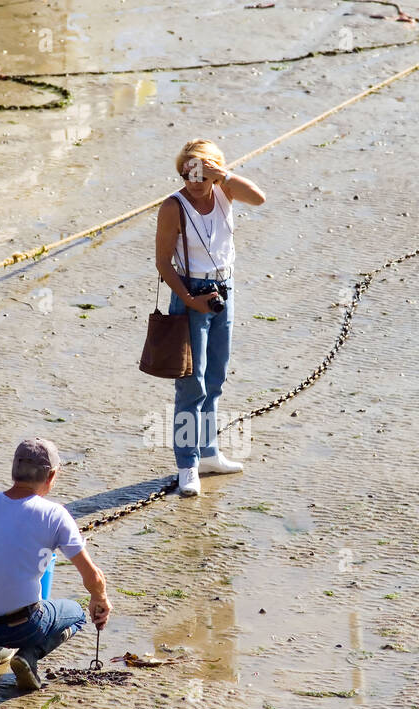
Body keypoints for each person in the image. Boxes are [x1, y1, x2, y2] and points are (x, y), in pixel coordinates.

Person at [154, 138, 267, 497]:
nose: (195, 180)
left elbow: (259, 198)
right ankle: (187, 465)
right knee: (192, 385)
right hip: (190, 293)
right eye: (188, 173)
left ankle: (208, 453)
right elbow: (162, 263)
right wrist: (189, 299)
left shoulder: (224, 193)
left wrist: (226, 176)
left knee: (215, 378)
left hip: (224, 289)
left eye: (203, 173)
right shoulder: (173, 207)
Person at [0, 438, 111, 691]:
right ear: (52, 476)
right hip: (22, 628)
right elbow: (92, 577)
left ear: (14, 469)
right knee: (77, 614)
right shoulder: (54, 514)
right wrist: (100, 598)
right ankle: (28, 655)